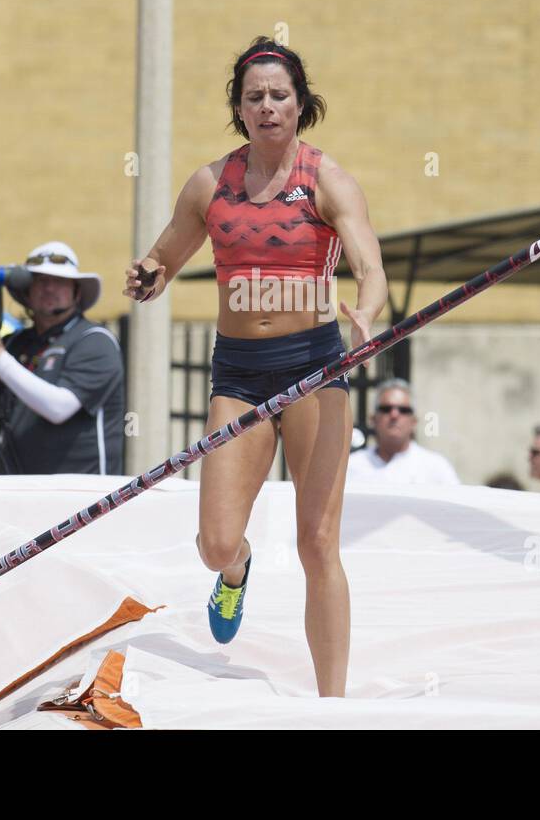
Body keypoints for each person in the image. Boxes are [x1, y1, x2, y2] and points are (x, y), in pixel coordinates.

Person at [123, 37, 386, 697]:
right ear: (238, 109)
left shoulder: (327, 179)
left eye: (279, 95)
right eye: (254, 97)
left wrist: (368, 314)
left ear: (302, 105)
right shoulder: (210, 183)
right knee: (214, 540)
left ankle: (333, 703)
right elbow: (164, 255)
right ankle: (236, 570)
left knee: (317, 542)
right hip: (240, 374)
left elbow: (369, 266)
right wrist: (148, 274)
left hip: (315, 368)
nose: (267, 107)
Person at [0, 241, 124, 475]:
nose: (48, 288)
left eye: (59, 281)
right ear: (26, 291)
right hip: (19, 486)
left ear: (76, 291)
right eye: (39, 281)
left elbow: (58, 408)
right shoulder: (15, 342)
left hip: (80, 493)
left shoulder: (95, 340)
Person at [345, 378, 459, 485]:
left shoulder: (437, 468)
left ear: (414, 421)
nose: (394, 415)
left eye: (403, 410)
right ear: (373, 418)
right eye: (386, 409)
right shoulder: (350, 466)